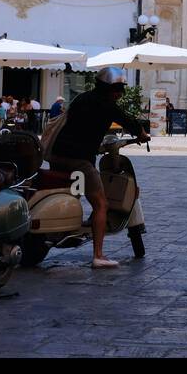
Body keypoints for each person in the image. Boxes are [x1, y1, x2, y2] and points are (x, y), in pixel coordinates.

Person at [48, 66, 149, 269]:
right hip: (80, 160)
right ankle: (98, 255)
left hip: (57, 155)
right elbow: (128, 120)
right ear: (112, 89)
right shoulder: (107, 104)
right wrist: (142, 134)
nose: (119, 94)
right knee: (101, 204)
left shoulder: (82, 98)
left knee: (73, 192)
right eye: (118, 89)